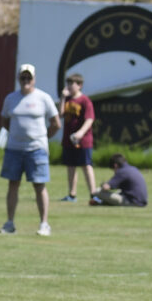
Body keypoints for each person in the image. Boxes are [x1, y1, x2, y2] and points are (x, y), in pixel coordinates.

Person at [0, 64, 61, 236]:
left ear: (34, 79)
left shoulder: (43, 98)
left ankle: (44, 224)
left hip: (36, 149)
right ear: (18, 79)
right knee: (13, 184)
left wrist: (43, 137)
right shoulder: (11, 98)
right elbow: (4, 120)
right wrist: (16, 134)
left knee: (39, 185)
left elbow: (56, 123)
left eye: (29, 78)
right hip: (14, 149)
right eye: (23, 78)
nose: (26, 81)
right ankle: (10, 223)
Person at [58, 72, 97, 203]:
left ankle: (93, 194)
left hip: (83, 140)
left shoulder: (85, 100)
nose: (68, 86)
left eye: (71, 83)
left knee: (86, 165)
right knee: (70, 166)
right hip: (69, 139)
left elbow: (90, 119)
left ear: (79, 85)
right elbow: (60, 114)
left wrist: (81, 133)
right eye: (67, 83)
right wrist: (63, 98)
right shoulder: (67, 99)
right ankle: (72, 194)